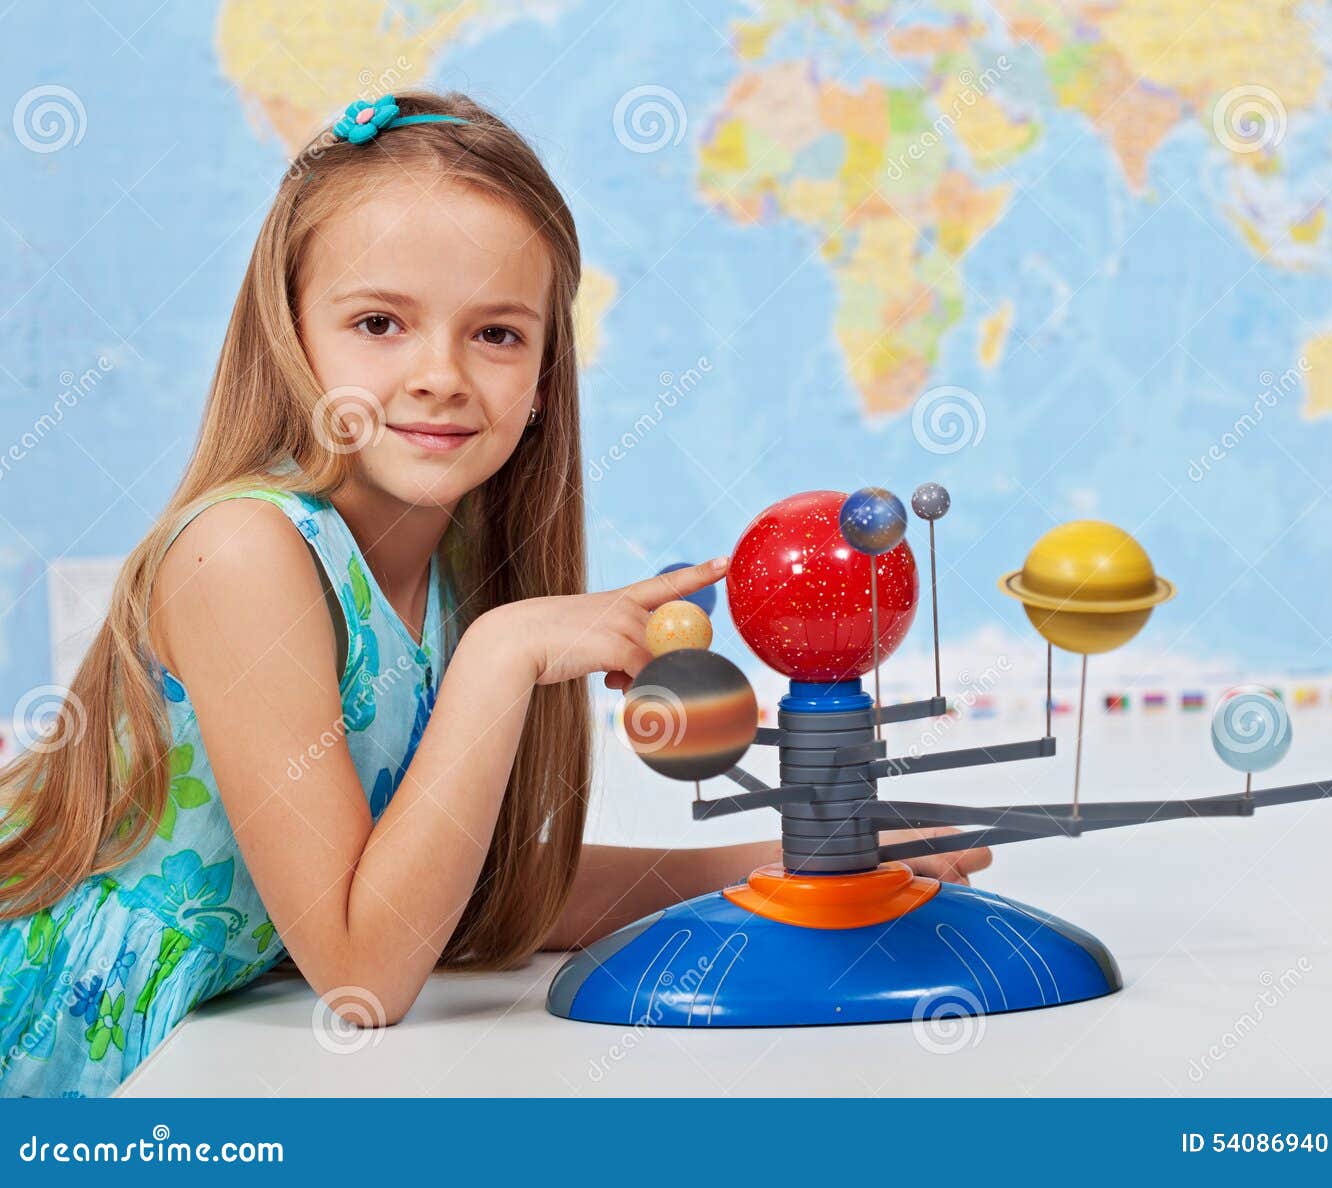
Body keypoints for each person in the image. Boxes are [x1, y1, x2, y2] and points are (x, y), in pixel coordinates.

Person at [0, 91, 988, 1097]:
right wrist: (503, 657)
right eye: (379, 322)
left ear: (546, 379)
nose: (440, 375)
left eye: (498, 335)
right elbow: (362, 973)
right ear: (288, 339)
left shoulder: (453, 579)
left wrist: (781, 860)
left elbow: (471, 901)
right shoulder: (243, 552)